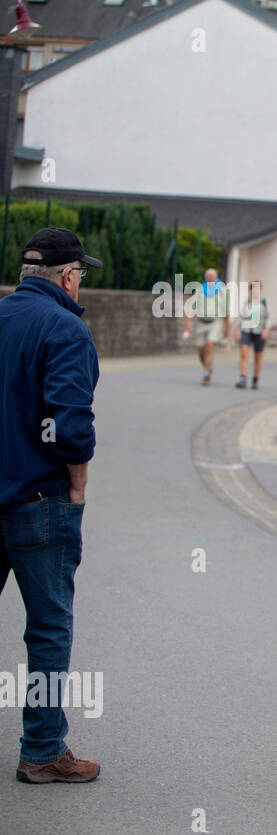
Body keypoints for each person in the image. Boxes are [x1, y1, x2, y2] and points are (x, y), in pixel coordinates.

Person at [0, 227, 102, 784]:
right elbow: (69, 427)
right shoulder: (65, 328)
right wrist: (78, 481)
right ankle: (40, 750)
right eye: (80, 272)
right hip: (37, 500)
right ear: (68, 276)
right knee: (48, 628)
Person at [184, 268, 228, 385]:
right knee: (200, 350)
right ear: (205, 278)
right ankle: (207, 367)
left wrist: (226, 328)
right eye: (208, 278)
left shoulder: (222, 291)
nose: (210, 280)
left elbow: (226, 311)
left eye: (213, 277)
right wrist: (188, 323)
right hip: (201, 322)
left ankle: (206, 373)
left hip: (215, 322)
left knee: (209, 345)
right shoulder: (200, 290)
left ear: (216, 278)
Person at [236, 280, 271, 389]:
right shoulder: (247, 302)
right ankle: (243, 378)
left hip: (259, 331)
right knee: (244, 352)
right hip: (247, 330)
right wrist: (236, 330)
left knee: (258, 356)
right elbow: (241, 316)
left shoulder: (264, 302)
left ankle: (255, 379)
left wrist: (267, 330)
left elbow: (269, 318)